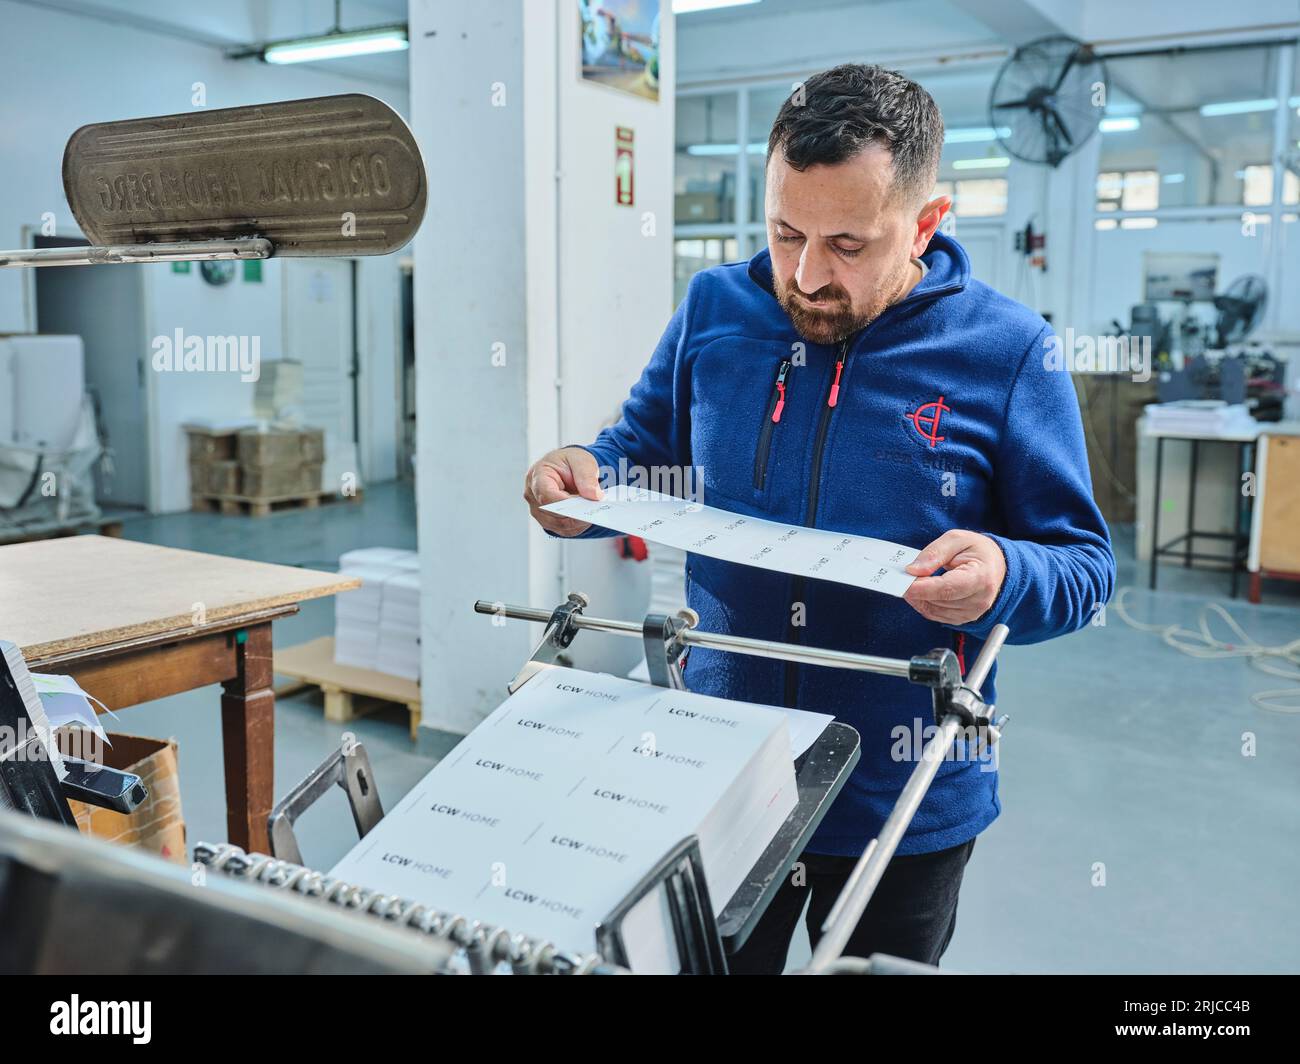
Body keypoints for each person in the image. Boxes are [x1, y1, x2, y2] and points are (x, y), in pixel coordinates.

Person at [523, 63, 1115, 973]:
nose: (805, 274)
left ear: (925, 224)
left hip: (902, 795)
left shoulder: (1007, 353)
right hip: (718, 767)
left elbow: (1083, 567)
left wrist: (1003, 574)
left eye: (846, 243)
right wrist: (583, 483)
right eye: (785, 231)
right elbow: (642, 453)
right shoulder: (717, 310)